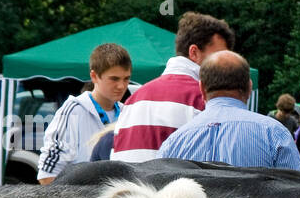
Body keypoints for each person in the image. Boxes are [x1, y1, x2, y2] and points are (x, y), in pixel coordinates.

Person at [112, 11, 233, 162]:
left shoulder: (132, 101)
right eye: (218, 57)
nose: (225, 65)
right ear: (194, 52)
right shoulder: (204, 100)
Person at [158, 52, 300, 169]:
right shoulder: (275, 135)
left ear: (201, 88)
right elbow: (299, 195)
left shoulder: (172, 144)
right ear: (249, 87)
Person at [37, 43, 132, 183]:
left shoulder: (129, 112)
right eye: (114, 79)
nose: (121, 86)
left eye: (126, 78)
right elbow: (47, 175)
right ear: (94, 76)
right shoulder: (73, 111)